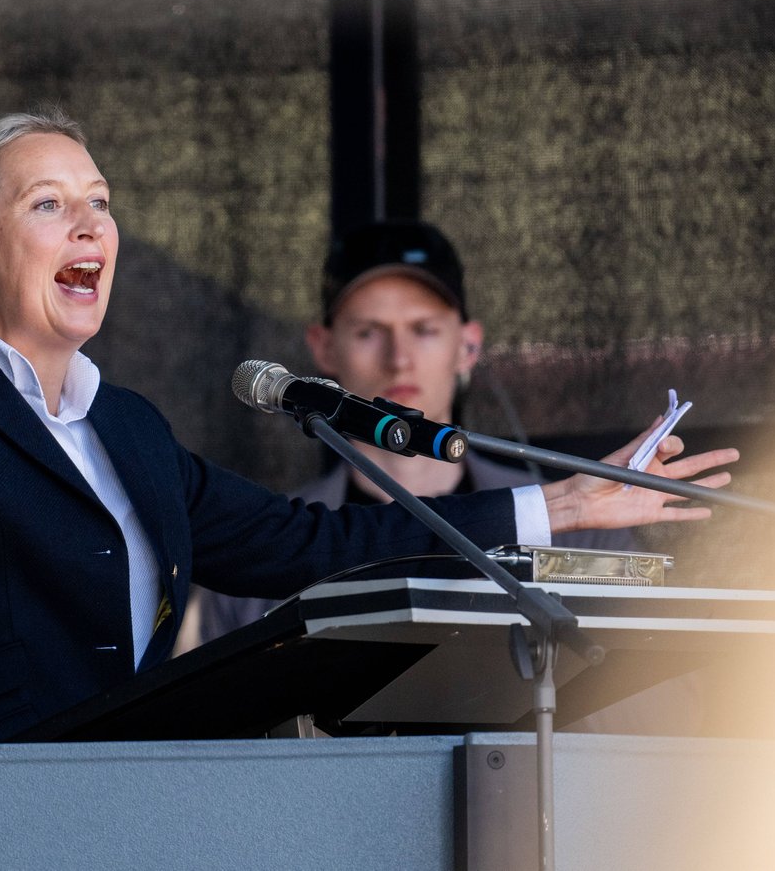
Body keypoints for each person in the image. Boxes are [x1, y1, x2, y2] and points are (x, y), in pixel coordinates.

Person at [0, 108, 737, 745]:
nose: (90, 225)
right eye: (48, 205)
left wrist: (557, 506)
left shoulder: (129, 429)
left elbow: (315, 547)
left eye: (100, 203)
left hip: (129, 814)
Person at [181, 221, 642, 650]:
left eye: (424, 329)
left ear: (468, 345)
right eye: (368, 332)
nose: (398, 359)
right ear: (323, 346)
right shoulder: (265, 548)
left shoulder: (583, 533)